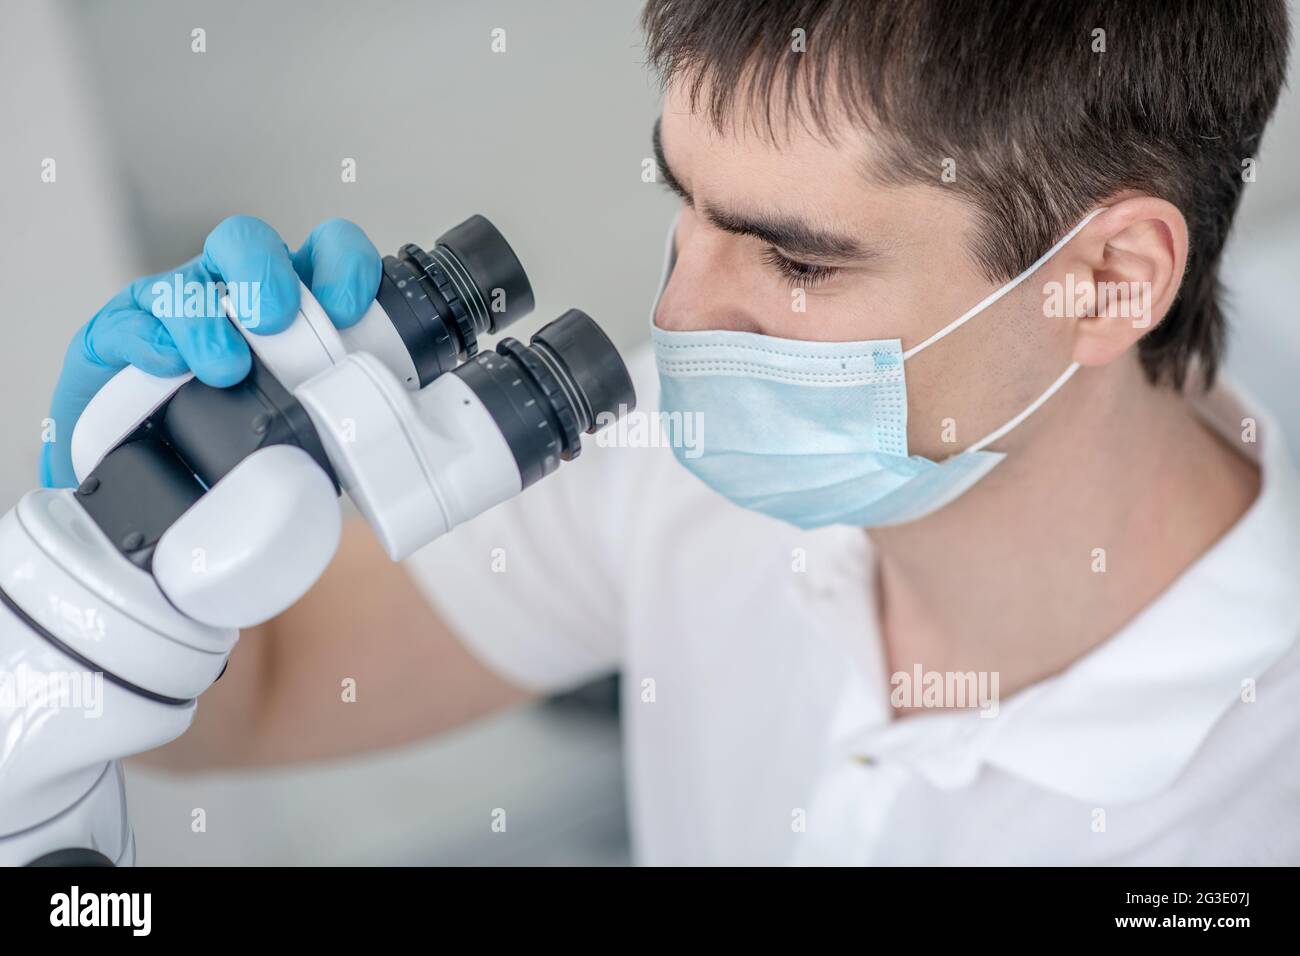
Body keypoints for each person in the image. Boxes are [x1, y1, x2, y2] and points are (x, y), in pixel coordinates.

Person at [40, 0, 1299, 864]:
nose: (675, 316)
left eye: (795, 260)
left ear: (1109, 280)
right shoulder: (675, 476)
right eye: (683, 203)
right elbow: (249, 704)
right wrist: (127, 553)